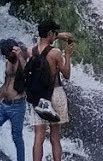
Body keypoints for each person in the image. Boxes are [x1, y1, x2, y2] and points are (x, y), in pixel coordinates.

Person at [27, 21, 74, 161]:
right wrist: (68, 55)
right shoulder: (56, 53)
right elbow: (66, 75)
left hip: (38, 97)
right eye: (54, 33)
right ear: (50, 34)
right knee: (55, 137)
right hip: (55, 93)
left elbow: (44, 42)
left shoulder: (31, 51)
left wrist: (57, 36)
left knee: (38, 137)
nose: (56, 36)